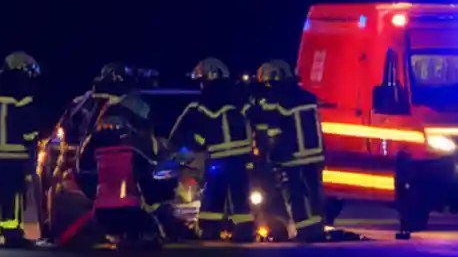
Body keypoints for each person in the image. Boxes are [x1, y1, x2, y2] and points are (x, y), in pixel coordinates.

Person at [170, 58, 256, 242]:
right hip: (241, 160)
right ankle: (244, 231)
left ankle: (209, 231)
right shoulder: (242, 99)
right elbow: (257, 123)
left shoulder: (199, 104)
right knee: (240, 197)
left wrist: (192, 147)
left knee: (213, 197)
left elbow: (178, 134)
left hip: (217, 159)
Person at [72, 93, 169, 247]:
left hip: (100, 212)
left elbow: (82, 171)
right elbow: (150, 174)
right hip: (129, 210)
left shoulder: (92, 143)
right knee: (152, 231)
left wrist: (94, 198)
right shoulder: (134, 145)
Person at [249, 59, 327, 242]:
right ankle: (316, 229)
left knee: (296, 194)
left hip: (292, 156)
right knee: (313, 193)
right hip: (314, 154)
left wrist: (269, 153)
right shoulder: (307, 97)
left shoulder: (276, 100)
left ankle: (305, 231)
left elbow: (271, 129)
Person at [0, 51, 41, 247]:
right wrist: (32, 142)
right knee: (13, 196)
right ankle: (12, 234)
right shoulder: (23, 93)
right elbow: (28, 127)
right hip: (14, 155)